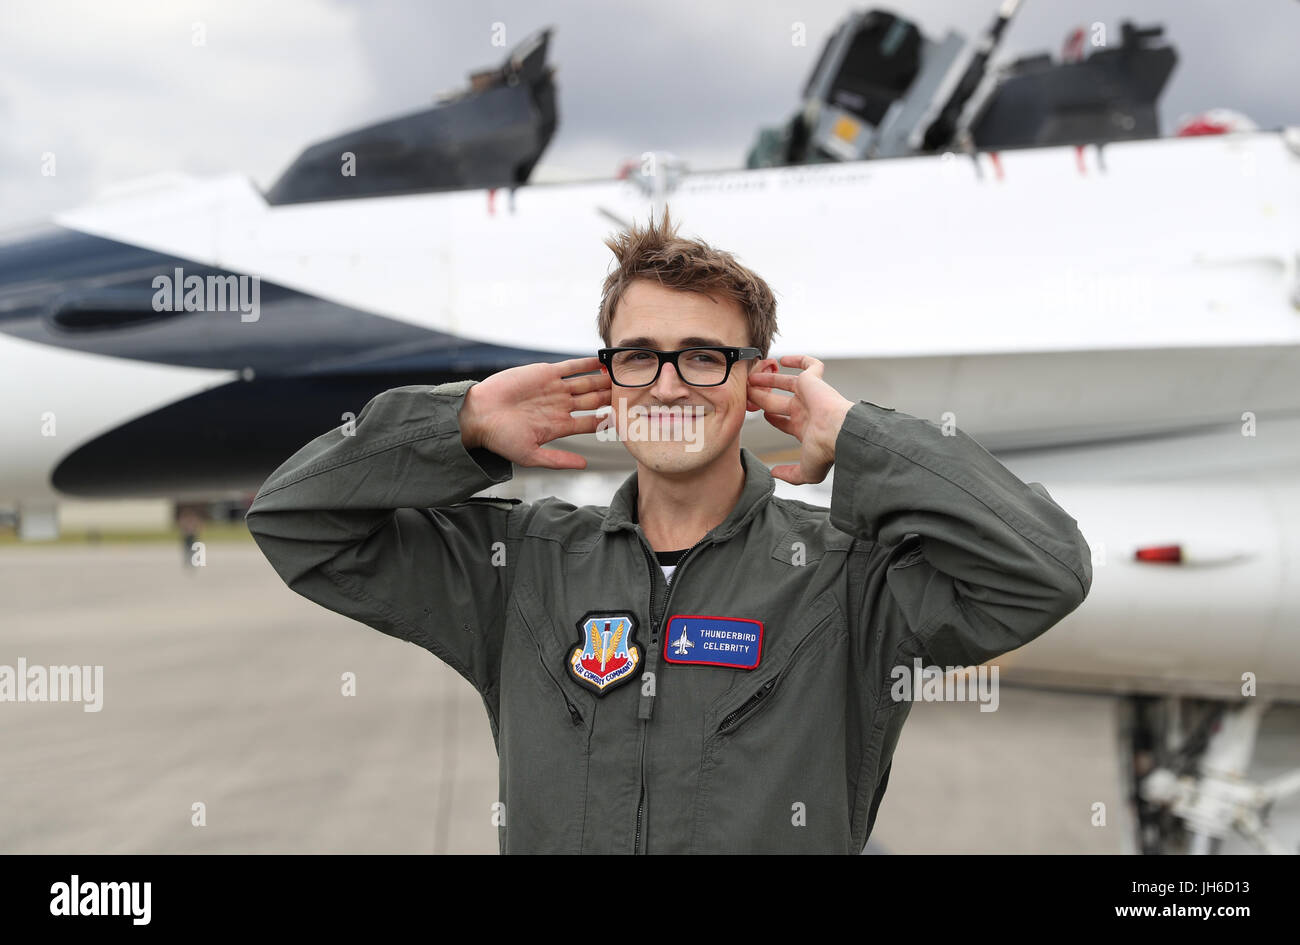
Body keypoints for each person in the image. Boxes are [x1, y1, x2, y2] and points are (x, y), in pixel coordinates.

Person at [245, 207, 1092, 853]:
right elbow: (297, 522)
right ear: (609, 379)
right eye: (639, 355)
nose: (667, 385)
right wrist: (456, 421)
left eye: (703, 355)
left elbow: (1046, 570)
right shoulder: (519, 568)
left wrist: (863, 436)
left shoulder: (852, 581)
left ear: (753, 380)